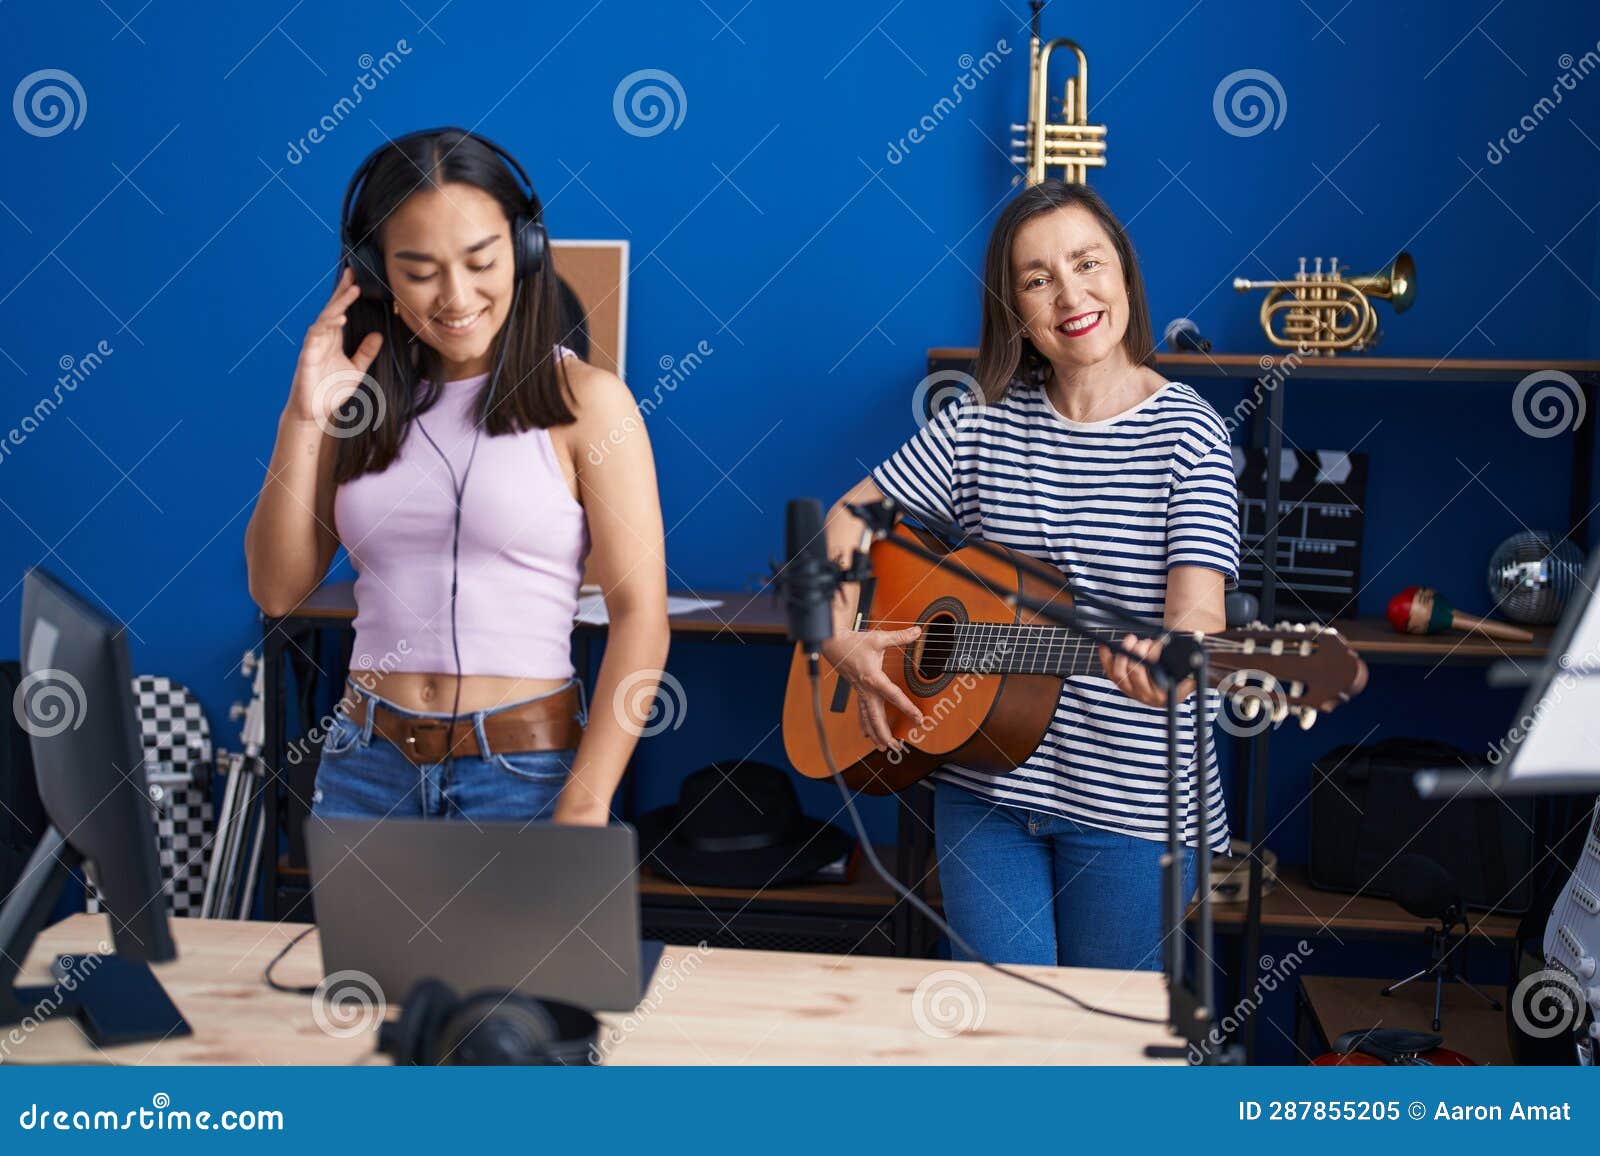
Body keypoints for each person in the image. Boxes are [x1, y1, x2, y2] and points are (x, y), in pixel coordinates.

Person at [821, 180, 1239, 970]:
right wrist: (836, 635)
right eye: (1038, 278)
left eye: (1089, 264)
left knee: (1102, 1050)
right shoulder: (980, 420)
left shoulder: (1191, 432)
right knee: (999, 1041)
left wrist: (1172, 661)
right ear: (1013, 306)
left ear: (1125, 275)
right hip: (986, 787)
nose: (1071, 294)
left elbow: (1198, 617)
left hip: (1136, 804)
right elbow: (848, 517)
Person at [245, 128, 668, 826]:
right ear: (376, 272)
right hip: (364, 765)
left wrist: (585, 808)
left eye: (480, 261)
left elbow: (641, 618)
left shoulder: (589, 404)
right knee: (361, 946)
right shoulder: (358, 401)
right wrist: (302, 419)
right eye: (419, 271)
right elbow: (278, 589)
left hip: (525, 773)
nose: (455, 295)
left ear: (525, 248)